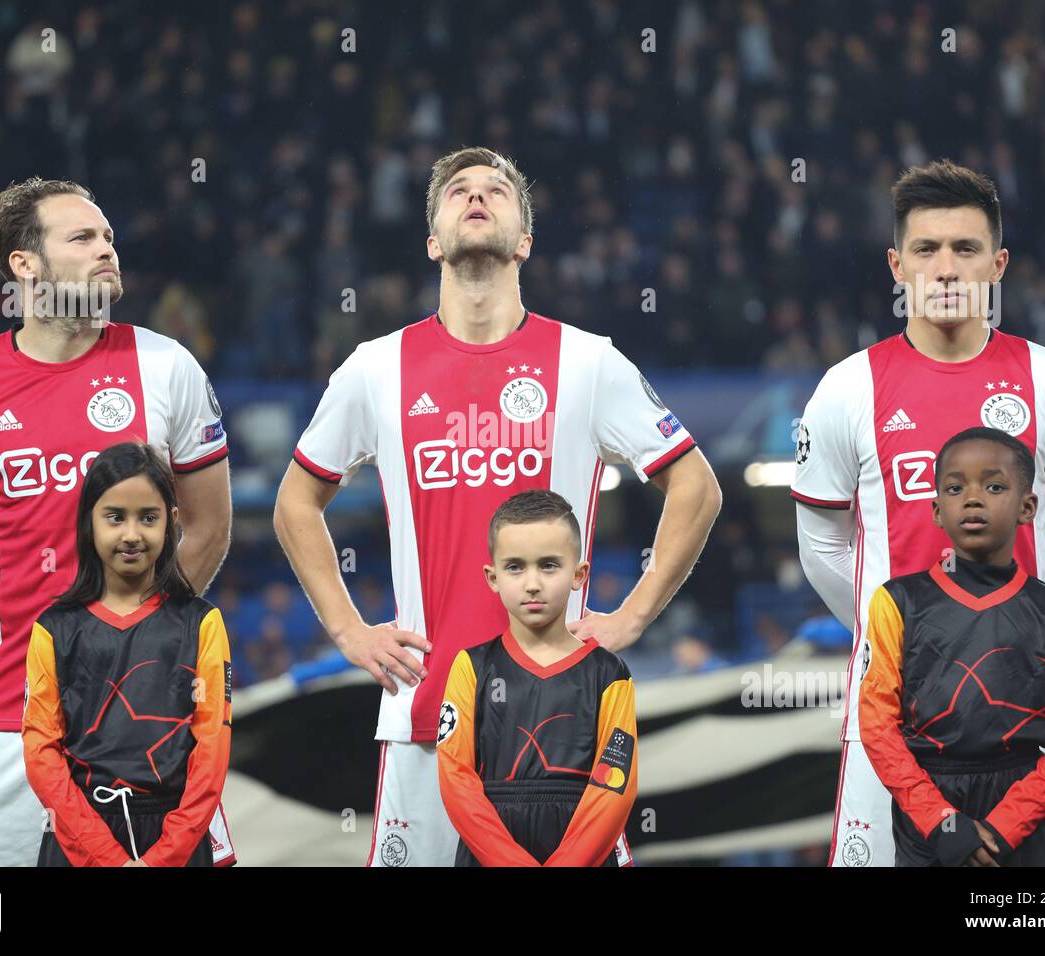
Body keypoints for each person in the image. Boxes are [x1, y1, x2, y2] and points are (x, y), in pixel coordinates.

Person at [275, 147, 720, 867]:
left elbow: (697, 486)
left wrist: (634, 616)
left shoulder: (588, 363)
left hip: (564, 720)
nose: (475, 196)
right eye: (457, 190)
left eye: (496, 190)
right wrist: (348, 630)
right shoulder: (374, 369)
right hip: (424, 717)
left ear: (525, 241)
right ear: (431, 240)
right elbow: (297, 501)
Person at [792, 160, 1045, 867]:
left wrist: (1004, 622)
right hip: (894, 719)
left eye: (965, 249)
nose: (946, 267)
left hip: (1031, 721)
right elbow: (821, 546)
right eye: (927, 250)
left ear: (998, 264)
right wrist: (909, 638)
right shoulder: (846, 389)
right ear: (897, 265)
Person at [0, 177, 233, 867]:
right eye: (82, 238)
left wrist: (147, 634)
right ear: (23, 264)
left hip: (149, 712)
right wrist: (48, 647)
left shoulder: (166, 366)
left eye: (109, 238)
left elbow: (207, 526)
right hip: (10, 710)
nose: (106, 250)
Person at [859, 429, 1045, 866]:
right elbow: (877, 728)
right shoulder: (895, 602)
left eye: (994, 486)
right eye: (955, 488)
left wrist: (1005, 825)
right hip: (927, 811)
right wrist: (942, 824)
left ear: (1027, 506)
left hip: (1022, 809)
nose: (973, 499)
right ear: (936, 509)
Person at [23, 442, 233, 866]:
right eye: (115, 517)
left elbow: (211, 752)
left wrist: (164, 857)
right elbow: (41, 753)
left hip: (177, 834)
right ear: (89, 523)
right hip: (80, 836)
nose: (132, 534)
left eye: (148, 518)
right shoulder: (53, 628)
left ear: (172, 522)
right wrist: (106, 857)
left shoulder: (202, 622)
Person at [437, 491, 637, 866]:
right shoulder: (471, 666)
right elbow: (456, 779)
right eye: (515, 567)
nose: (532, 583)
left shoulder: (609, 674)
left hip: (585, 849)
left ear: (579, 575)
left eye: (548, 565)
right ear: (492, 577)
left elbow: (615, 786)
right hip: (490, 849)